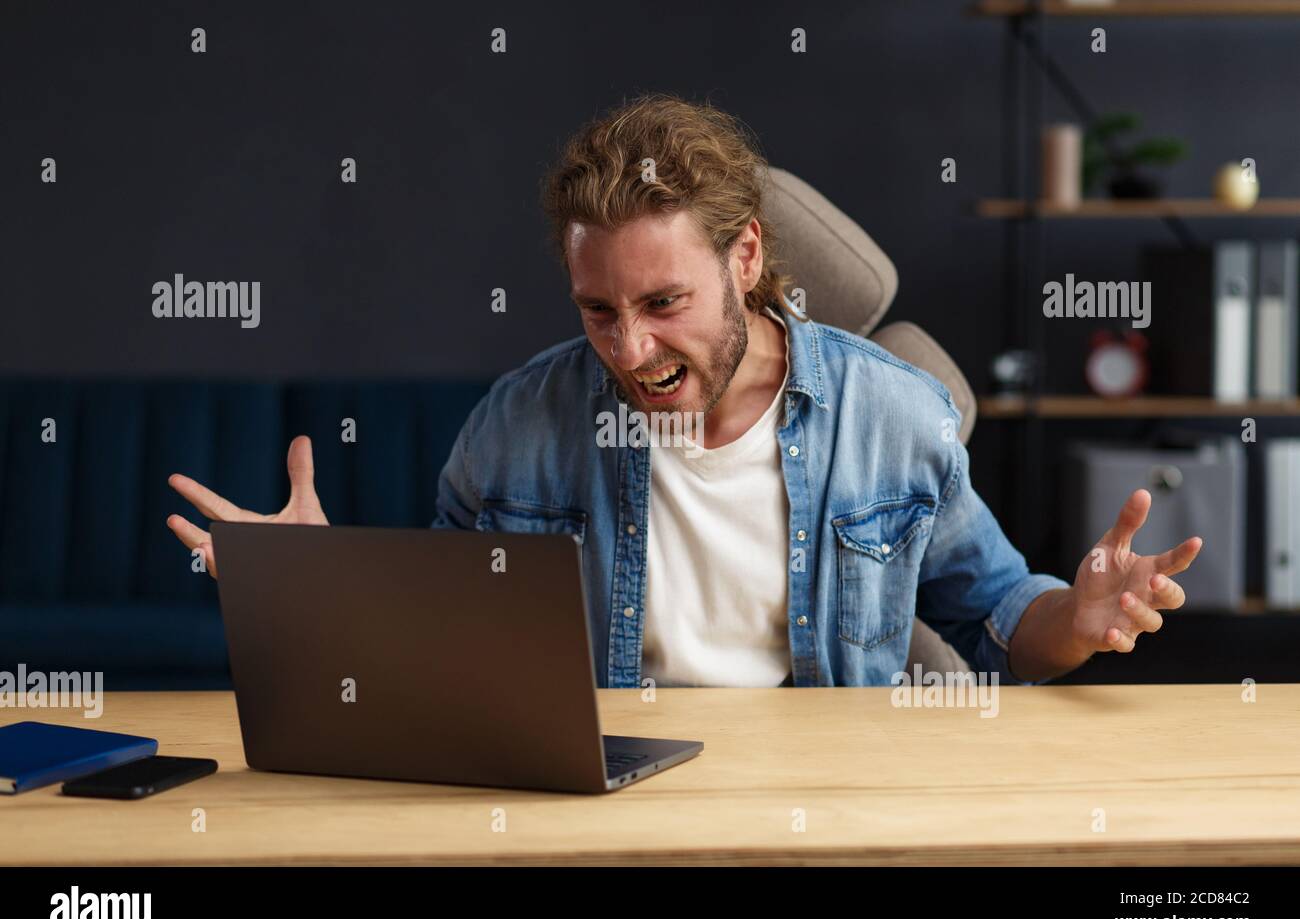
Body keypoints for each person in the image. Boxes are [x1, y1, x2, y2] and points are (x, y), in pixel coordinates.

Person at [167, 93, 1201, 688]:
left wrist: (1082, 614)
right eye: (597, 309)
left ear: (745, 256)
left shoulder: (891, 415)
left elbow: (999, 617)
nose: (628, 345)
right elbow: (446, 647)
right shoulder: (521, 423)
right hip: (602, 804)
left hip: (827, 802)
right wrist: (309, 585)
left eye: (663, 301)